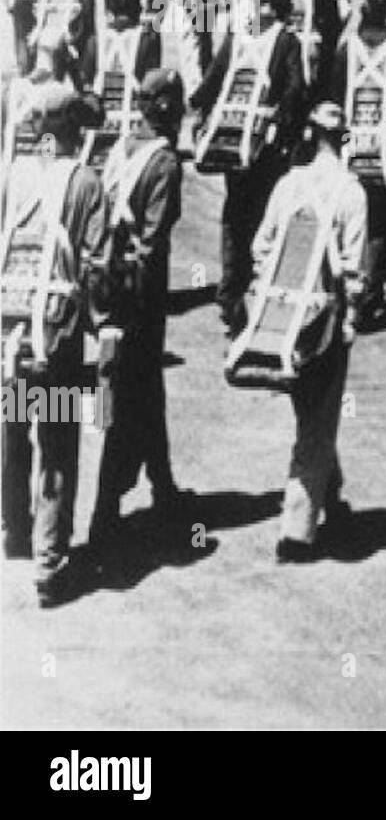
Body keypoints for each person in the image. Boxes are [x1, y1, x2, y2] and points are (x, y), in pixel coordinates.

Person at [0, 82, 114, 606]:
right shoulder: (87, 182)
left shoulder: (14, 174)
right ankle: (50, 560)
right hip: (59, 333)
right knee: (58, 441)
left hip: (12, 325)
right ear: (73, 130)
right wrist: (104, 323)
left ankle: (15, 532)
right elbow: (96, 266)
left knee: (13, 428)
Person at [253, 102, 367, 562]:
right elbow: (355, 269)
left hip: (282, 318)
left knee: (310, 412)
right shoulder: (352, 192)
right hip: (325, 318)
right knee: (318, 421)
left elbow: (260, 247)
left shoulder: (288, 183)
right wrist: (353, 315)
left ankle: (331, 495)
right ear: (344, 139)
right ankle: (296, 531)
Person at [88, 69, 192, 564]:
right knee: (133, 395)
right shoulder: (165, 163)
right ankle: (107, 510)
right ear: (167, 106)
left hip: (108, 292)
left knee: (144, 391)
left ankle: (163, 485)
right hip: (141, 301)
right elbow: (152, 245)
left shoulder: (122, 151)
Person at [190, 0, 306, 336]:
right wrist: (287, 131)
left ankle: (228, 292)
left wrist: (198, 110)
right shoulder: (287, 42)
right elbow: (295, 92)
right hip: (264, 146)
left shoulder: (238, 34)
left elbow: (213, 78)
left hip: (229, 140)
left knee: (233, 214)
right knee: (261, 216)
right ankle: (253, 293)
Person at [329, 0, 386, 325]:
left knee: (349, 222)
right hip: (383, 149)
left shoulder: (347, 48)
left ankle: (346, 291)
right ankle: (371, 293)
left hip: (349, 148)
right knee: (378, 225)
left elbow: (333, 95)